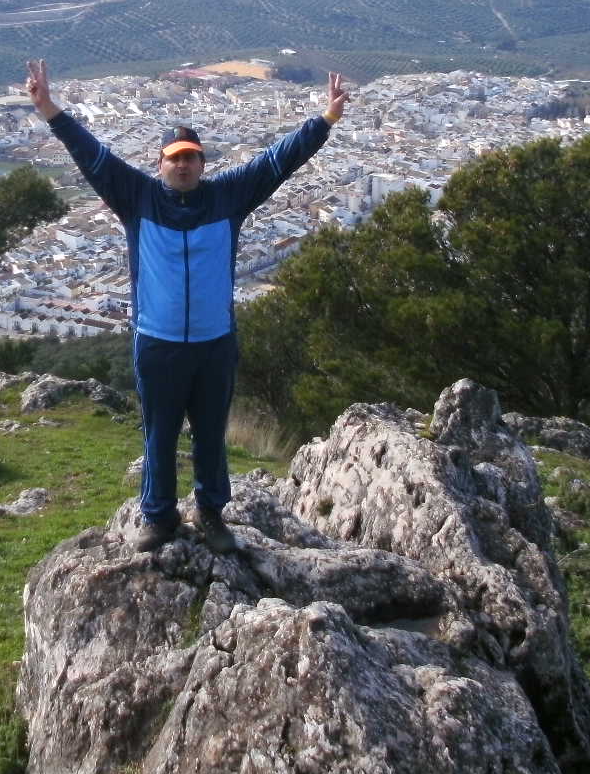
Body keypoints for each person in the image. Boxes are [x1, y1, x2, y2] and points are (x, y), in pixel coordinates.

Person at [26, 58, 348, 553]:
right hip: (157, 341)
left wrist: (323, 121)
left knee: (211, 433)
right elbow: (91, 155)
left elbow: (277, 161)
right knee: (159, 431)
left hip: (215, 341)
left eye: (191, 157)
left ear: (202, 164)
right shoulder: (136, 197)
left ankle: (212, 514)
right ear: (160, 164)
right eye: (174, 158)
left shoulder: (227, 197)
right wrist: (50, 109)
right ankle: (157, 516)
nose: (183, 165)